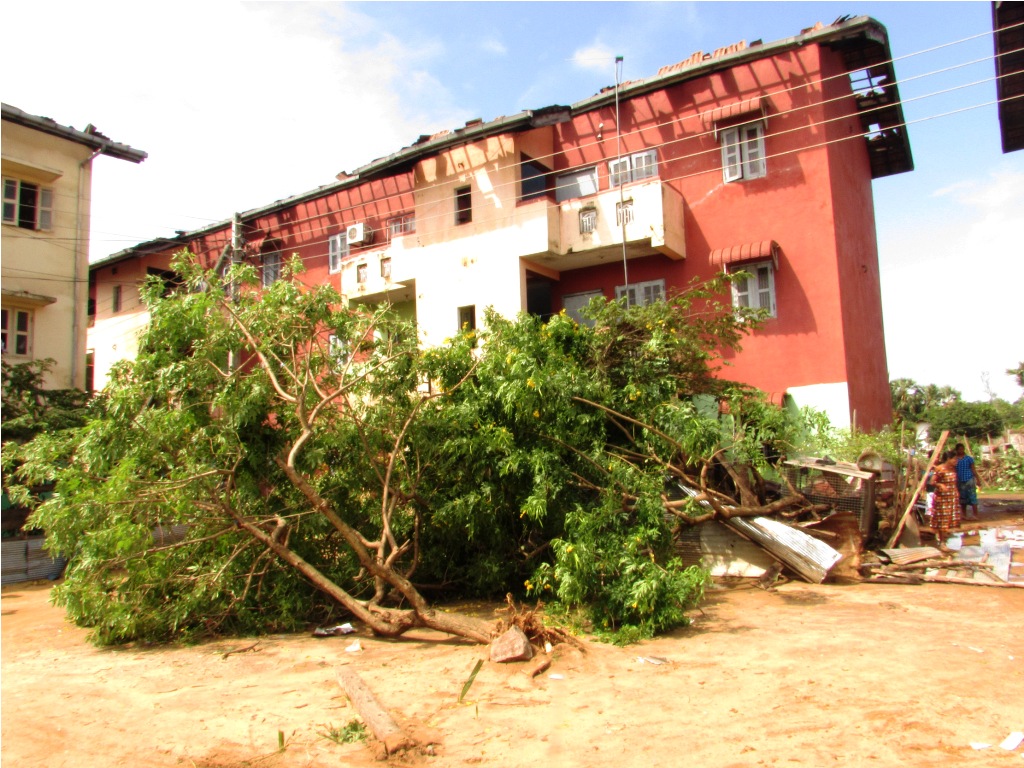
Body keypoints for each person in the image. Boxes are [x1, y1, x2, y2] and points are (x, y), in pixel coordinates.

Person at [930, 451, 961, 550]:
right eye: (954, 459)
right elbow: (932, 482)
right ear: (948, 459)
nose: (956, 461)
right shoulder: (940, 469)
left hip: (951, 497)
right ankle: (942, 543)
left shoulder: (953, 469)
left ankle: (943, 540)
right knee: (942, 519)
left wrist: (956, 492)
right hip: (942, 498)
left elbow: (954, 482)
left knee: (948, 520)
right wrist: (940, 485)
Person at [954, 442, 981, 520]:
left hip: (969, 479)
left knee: (972, 497)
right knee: (962, 499)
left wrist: (977, 480)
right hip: (960, 480)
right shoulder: (955, 459)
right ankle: (964, 515)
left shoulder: (969, 458)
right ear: (956, 450)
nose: (961, 451)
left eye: (962, 449)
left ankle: (975, 515)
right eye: (959, 449)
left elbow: (973, 469)